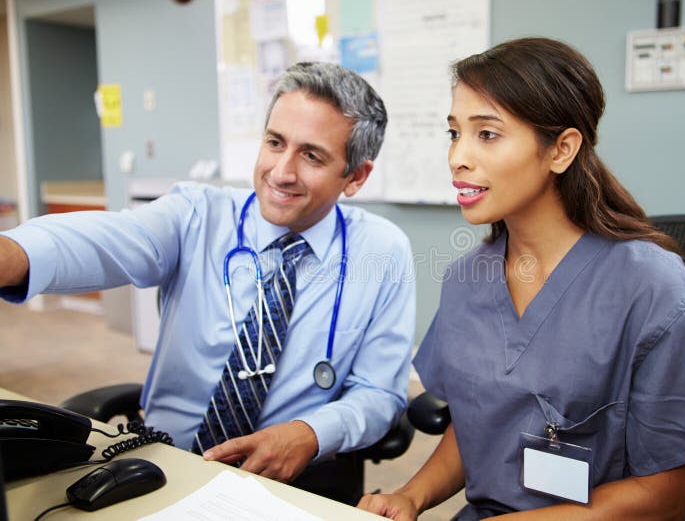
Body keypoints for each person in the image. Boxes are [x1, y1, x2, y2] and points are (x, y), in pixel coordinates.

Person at [357, 37, 685, 520]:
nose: (457, 158)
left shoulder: (650, 287)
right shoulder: (466, 280)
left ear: (561, 150)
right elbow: (477, 427)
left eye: (487, 134)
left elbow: (667, 495)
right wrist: (411, 495)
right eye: (454, 134)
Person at [0, 62, 415, 503]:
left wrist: (309, 434)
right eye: (275, 143)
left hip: (297, 480)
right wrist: (13, 254)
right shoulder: (197, 214)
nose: (281, 172)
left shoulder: (382, 251)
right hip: (167, 463)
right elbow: (105, 241)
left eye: (311, 156)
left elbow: (380, 391)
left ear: (356, 176)